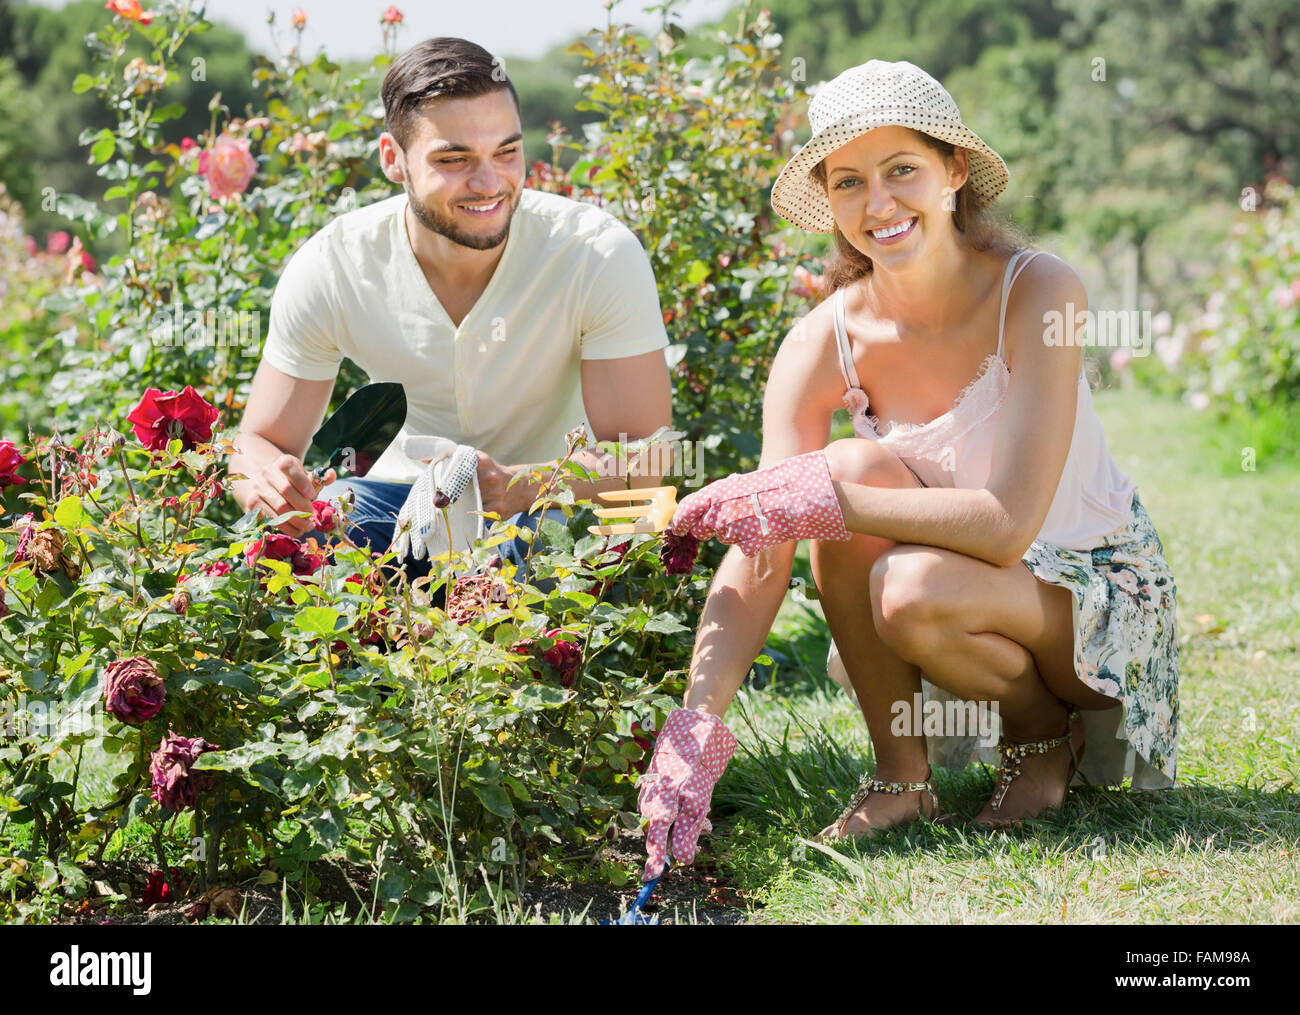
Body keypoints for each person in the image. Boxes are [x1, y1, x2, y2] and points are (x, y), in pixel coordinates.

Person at [636, 60, 1179, 881]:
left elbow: (1008, 524)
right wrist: (693, 728)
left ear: (955, 173)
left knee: (872, 536)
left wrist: (825, 498)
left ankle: (1044, 742)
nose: (879, 204)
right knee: (844, 478)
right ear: (829, 197)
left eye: (903, 171)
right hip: (956, 597)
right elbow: (762, 547)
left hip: (1093, 601)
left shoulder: (1038, 290)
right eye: (850, 181)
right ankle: (902, 777)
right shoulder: (822, 341)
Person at [228, 37, 674, 579]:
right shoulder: (334, 264)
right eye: (454, 159)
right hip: (396, 511)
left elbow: (647, 465)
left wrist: (514, 484)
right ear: (394, 159)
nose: (489, 183)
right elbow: (258, 442)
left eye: (507, 152)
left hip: (552, 517)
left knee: (565, 555)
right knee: (325, 522)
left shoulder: (596, 254)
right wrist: (270, 484)